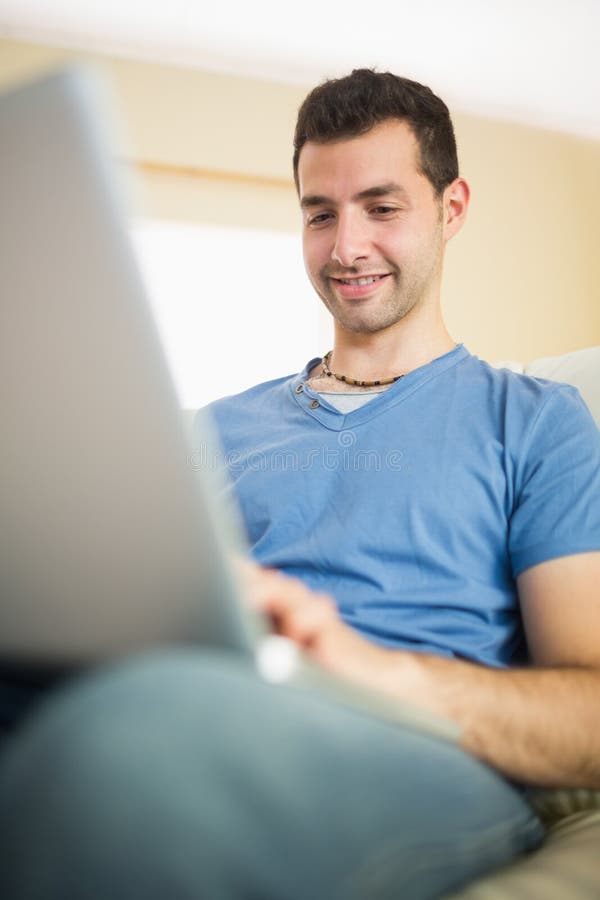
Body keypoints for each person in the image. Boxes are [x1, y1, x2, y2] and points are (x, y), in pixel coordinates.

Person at [0, 68, 598, 900]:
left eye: (382, 208)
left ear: (451, 208)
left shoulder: (536, 421)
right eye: (321, 214)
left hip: (414, 754)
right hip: (207, 704)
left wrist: (375, 670)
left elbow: (591, 716)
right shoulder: (210, 429)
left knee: (123, 744)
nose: (346, 247)